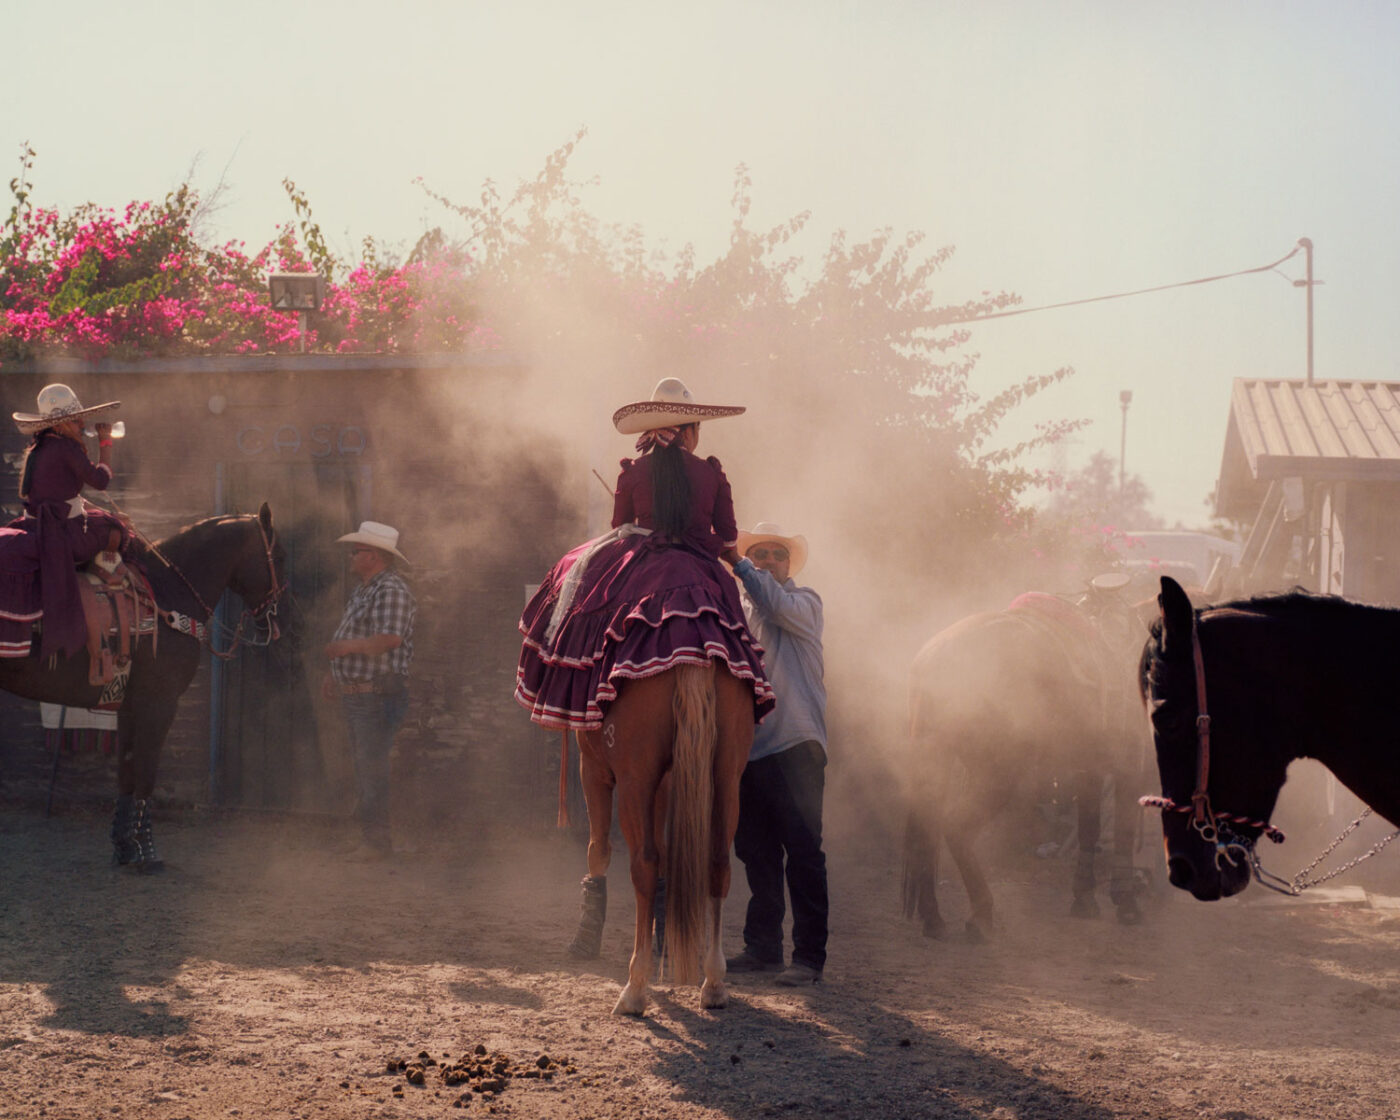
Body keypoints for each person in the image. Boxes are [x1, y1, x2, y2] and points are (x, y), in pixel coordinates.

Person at [515, 377, 774, 956]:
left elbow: (620, 527)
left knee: (583, 597)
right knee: (731, 634)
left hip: (643, 565)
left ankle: (587, 696)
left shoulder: (633, 471)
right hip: (701, 577)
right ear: (688, 429)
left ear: (655, 430)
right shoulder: (711, 471)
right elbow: (727, 536)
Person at [726, 521, 829, 985]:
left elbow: (771, 600)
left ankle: (808, 958)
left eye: (775, 555)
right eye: (759, 554)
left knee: (803, 851)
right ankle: (763, 948)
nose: (767, 561)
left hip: (796, 745)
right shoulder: (739, 612)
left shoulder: (804, 603)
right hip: (750, 749)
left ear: (788, 566)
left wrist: (738, 562)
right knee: (757, 852)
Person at [3, 384, 129, 661]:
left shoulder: (39, 446)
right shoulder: (65, 447)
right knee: (116, 531)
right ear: (60, 425)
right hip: (60, 530)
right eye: (75, 419)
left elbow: (56, 494)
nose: (81, 423)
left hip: (37, 524)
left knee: (107, 522)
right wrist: (106, 443)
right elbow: (100, 481)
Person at [322, 520, 416, 860]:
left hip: (376, 695)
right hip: (361, 693)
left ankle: (376, 844)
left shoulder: (389, 589)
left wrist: (344, 650)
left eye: (356, 551)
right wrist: (335, 673)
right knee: (365, 768)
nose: (351, 556)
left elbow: (389, 639)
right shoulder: (365, 589)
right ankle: (370, 838)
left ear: (373, 556)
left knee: (371, 768)